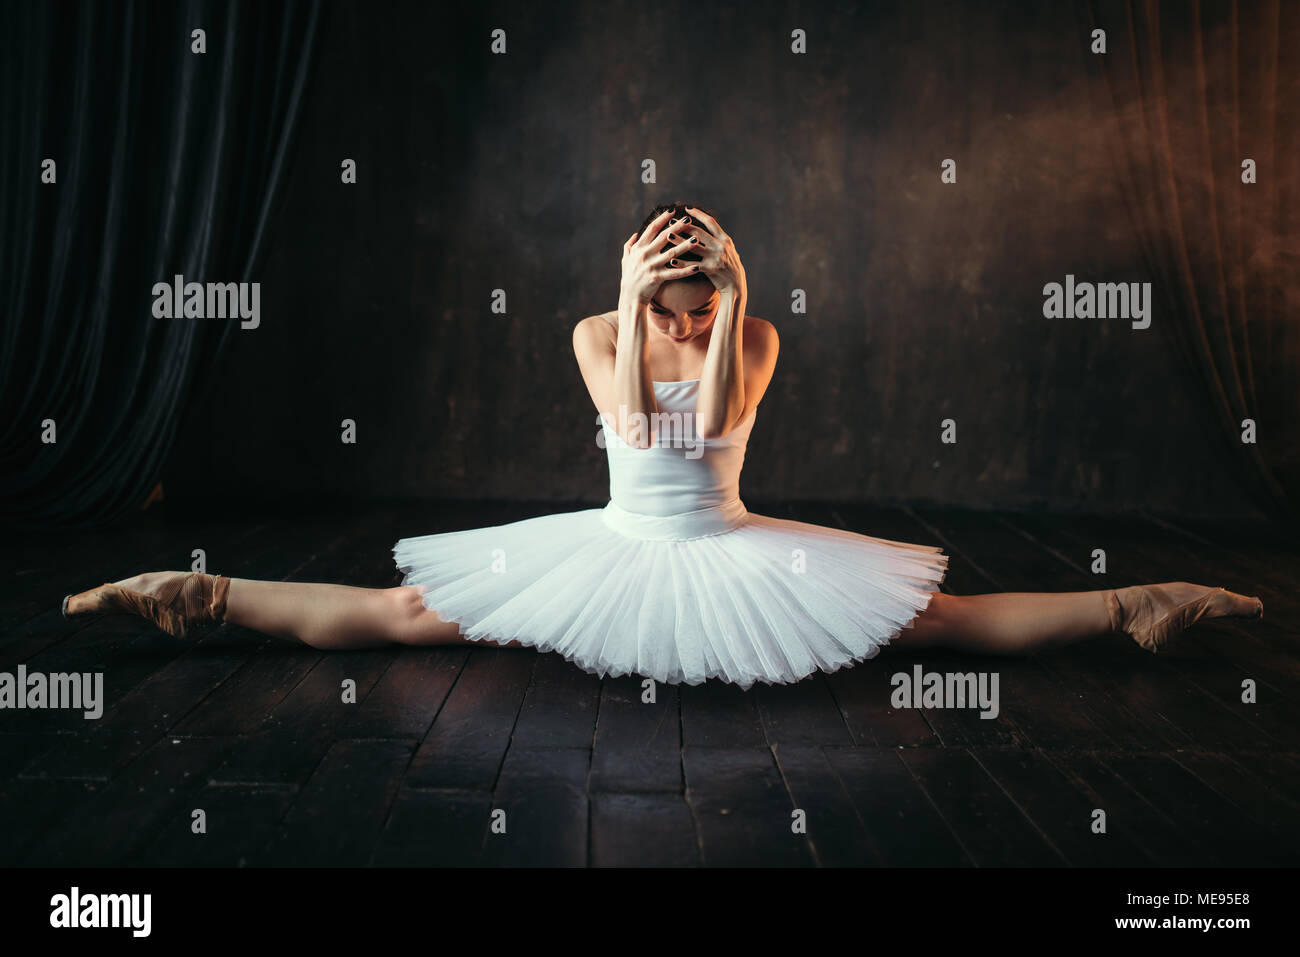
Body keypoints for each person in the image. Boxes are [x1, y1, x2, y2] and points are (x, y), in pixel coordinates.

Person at [62, 202, 1264, 689]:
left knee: (935, 624)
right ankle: (199, 593)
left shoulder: (755, 335)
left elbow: (723, 418)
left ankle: (1133, 607)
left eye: (697, 310)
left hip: (733, 541)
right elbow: (635, 427)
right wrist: (625, 295)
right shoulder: (598, 331)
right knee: (402, 613)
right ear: (635, 299)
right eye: (668, 309)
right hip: (616, 540)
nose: (683, 328)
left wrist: (734, 297)